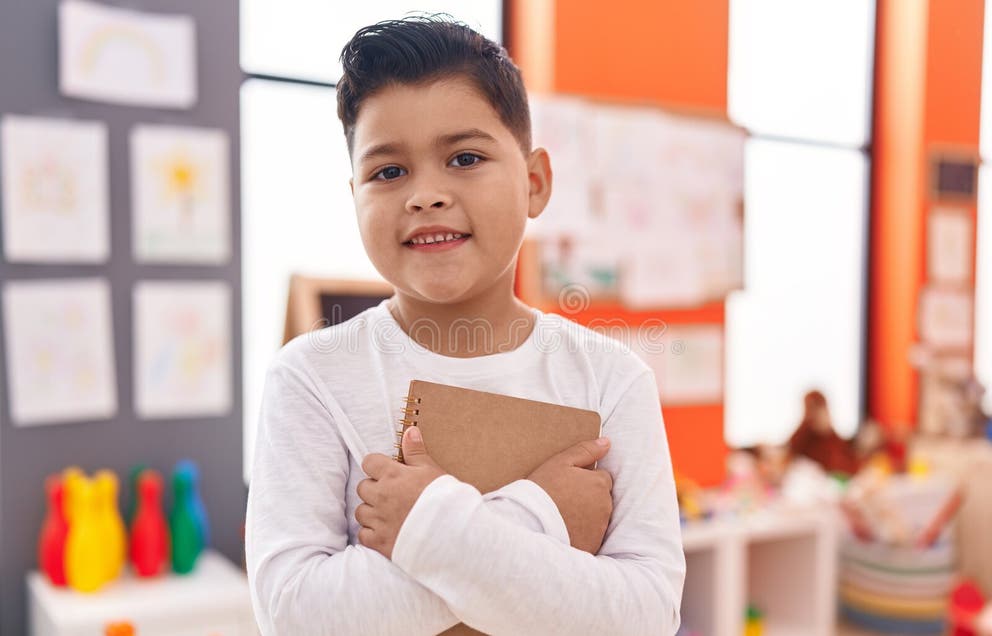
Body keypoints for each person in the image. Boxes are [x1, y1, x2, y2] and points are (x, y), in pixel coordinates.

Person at [245, 15, 685, 635]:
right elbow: (296, 617)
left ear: (534, 183)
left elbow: (645, 616)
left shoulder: (612, 379)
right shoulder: (311, 376)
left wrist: (423, 529)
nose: (425, 194)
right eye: (388, 172)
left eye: (465, 157)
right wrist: (543, 515)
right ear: (355, 197)